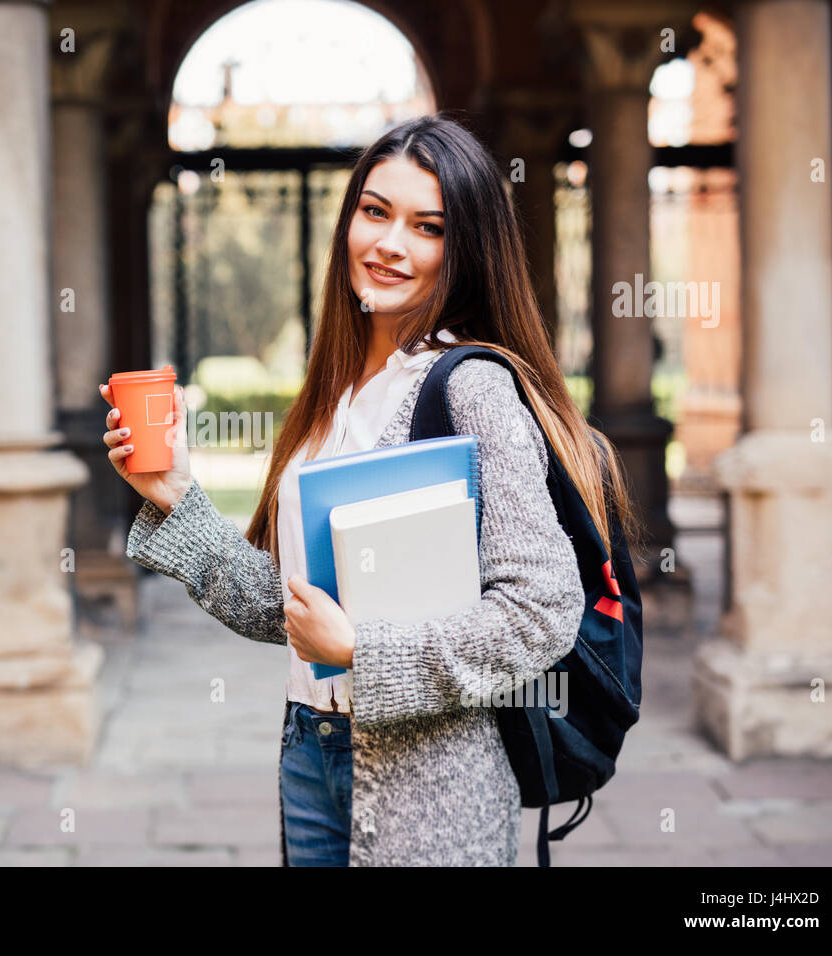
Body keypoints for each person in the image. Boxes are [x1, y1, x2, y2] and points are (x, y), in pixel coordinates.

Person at [98, 112, 645, 867]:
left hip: (432, 780)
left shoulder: (471, 385)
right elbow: (287, 610)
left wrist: (363, 651)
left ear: (467, 248)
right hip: (310, 751)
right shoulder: (339, 393)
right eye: (375, 212)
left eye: (428, 227)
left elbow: (541, 608)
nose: (389, 244)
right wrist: (175, 498)